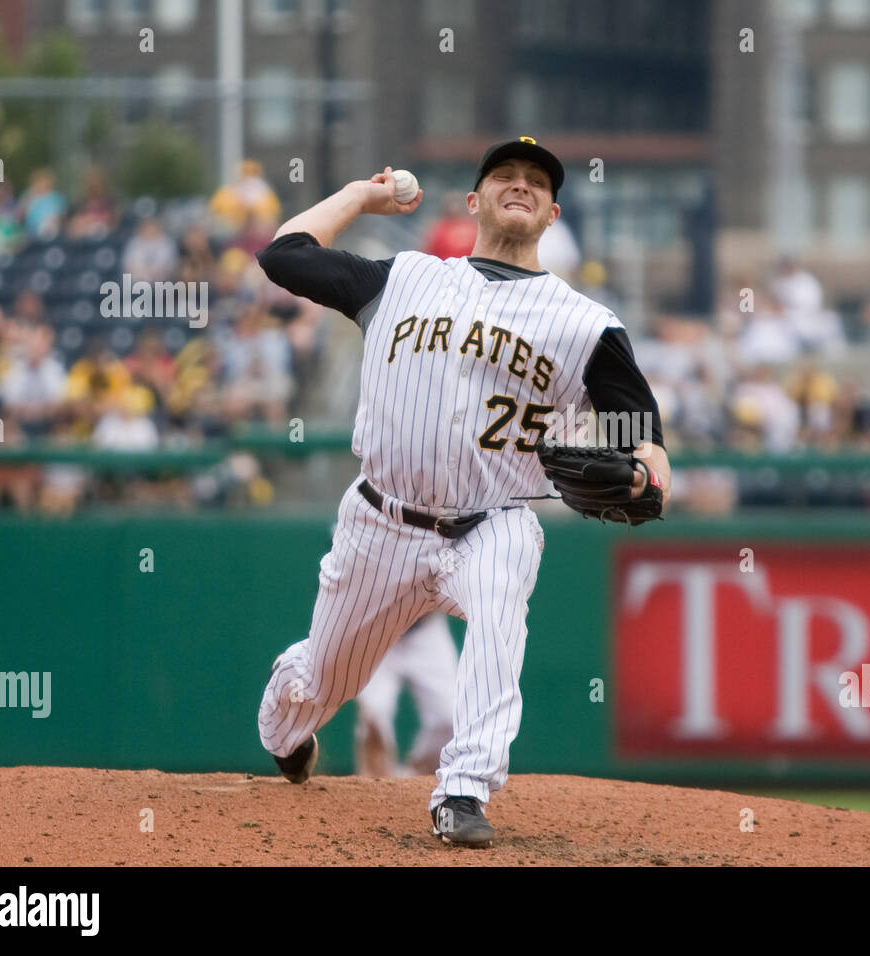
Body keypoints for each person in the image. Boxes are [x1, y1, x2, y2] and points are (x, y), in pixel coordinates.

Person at [254, 137, 670, 848]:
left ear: (551, 213)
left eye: (536, 182)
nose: (521, 184)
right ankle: (287, 727)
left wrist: (649, 478)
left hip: (494, 520)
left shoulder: (587, 325)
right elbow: (284, 256)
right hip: (381, 524)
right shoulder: (404, 278)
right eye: (504, 174)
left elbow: (646, 437)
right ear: (474, 201)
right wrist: (360, 194)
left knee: (502, 605)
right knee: (318, 685)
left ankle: (463, 791)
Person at [353, 613, 458, 778]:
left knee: (449, 718)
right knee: (374, 718)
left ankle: (418, 781)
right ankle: (376, 786)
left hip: (426, 631)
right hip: (376, 633)